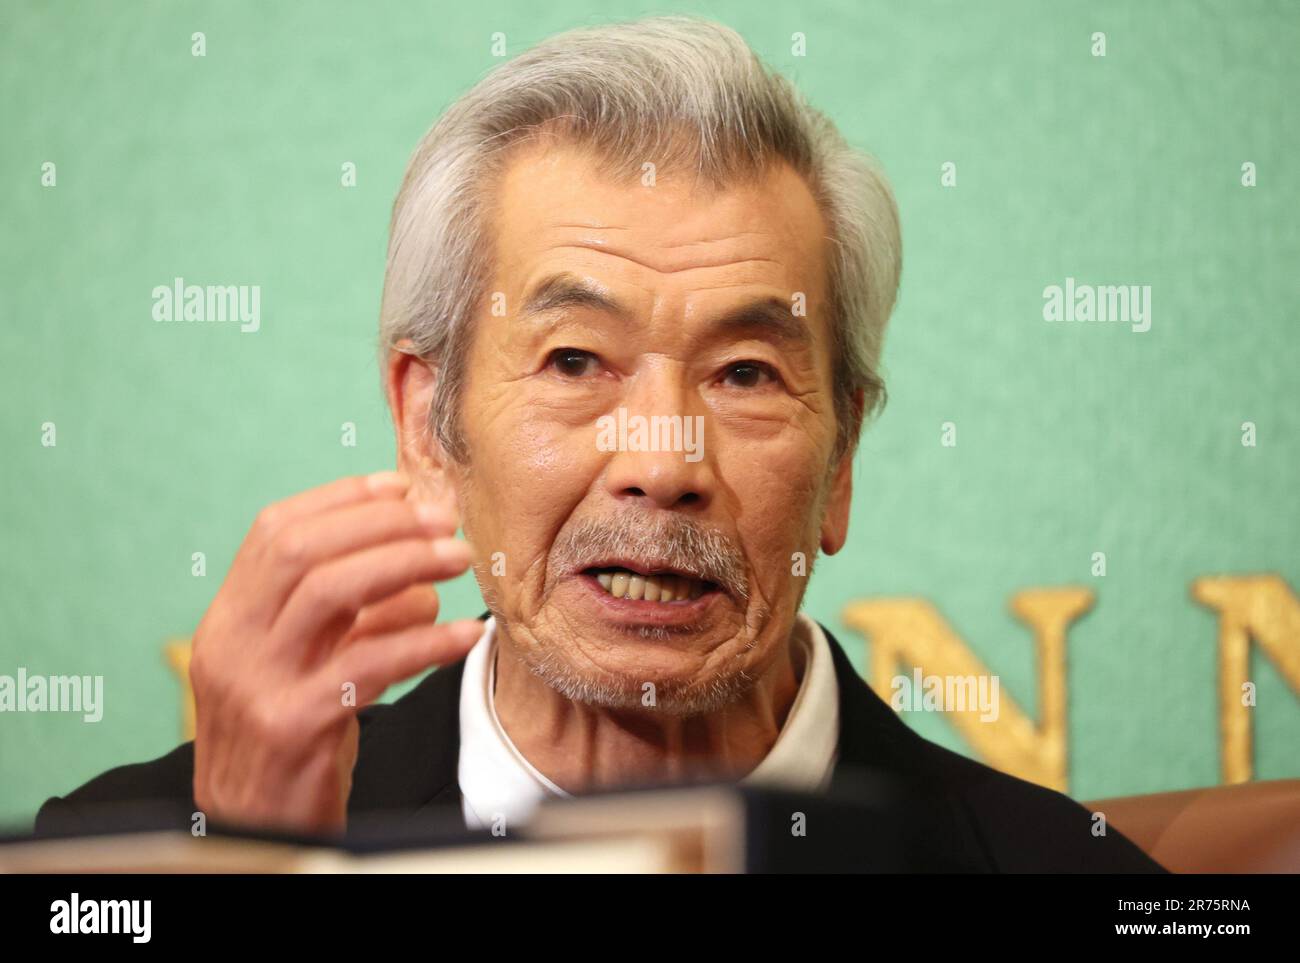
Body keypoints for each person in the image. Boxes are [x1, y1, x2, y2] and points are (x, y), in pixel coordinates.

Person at [35, 16, 1163, 872]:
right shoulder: (134, 854)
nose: (664, 462)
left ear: (843, 458)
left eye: (744, 374)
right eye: (576, 362)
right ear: (430, 428)